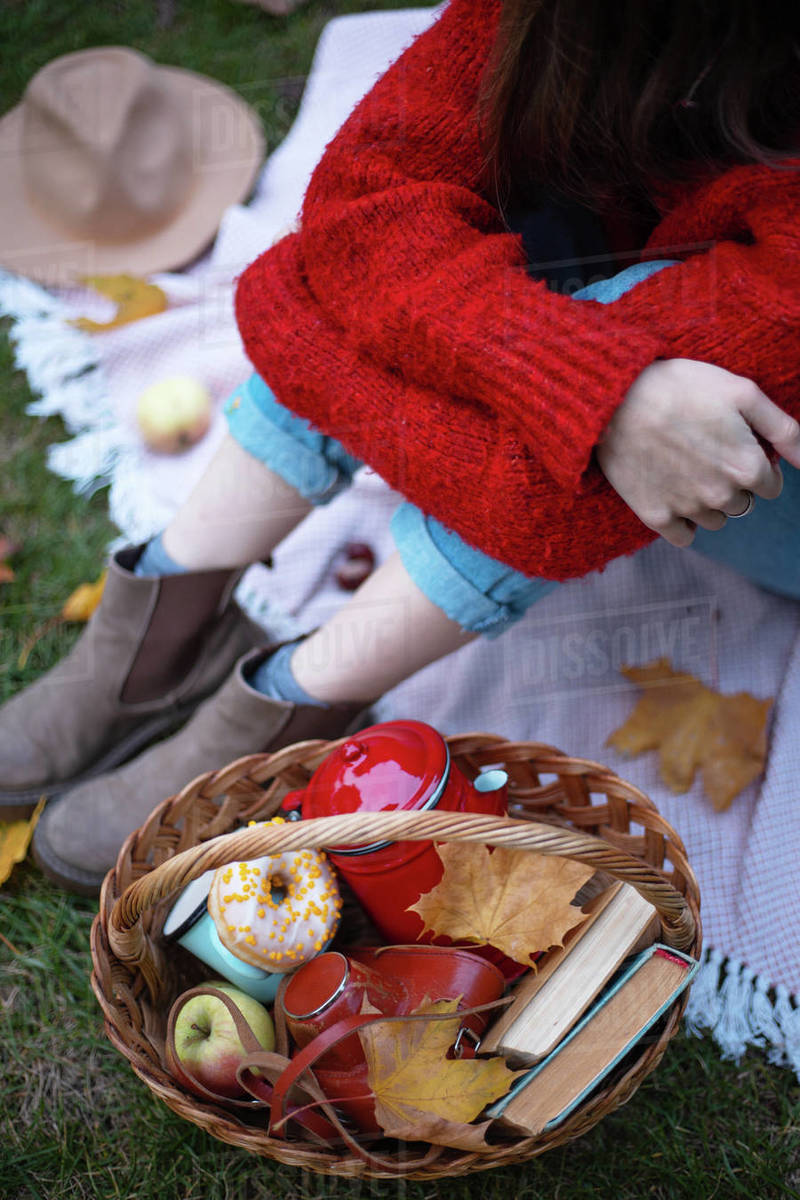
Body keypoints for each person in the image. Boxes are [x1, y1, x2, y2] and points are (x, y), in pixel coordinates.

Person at [2, 0, 798, 894]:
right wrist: (595, 384)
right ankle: (154, 647)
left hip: (765, 473)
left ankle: (288, 707)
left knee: (633, 372)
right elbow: (361, 210)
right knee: (430, 237)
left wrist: (597, 396)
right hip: (650, 300)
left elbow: (546, 484)